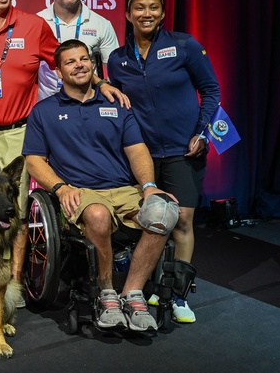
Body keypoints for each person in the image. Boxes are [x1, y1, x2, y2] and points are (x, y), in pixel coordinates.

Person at [0, 0, 126, 307]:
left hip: (19, 131)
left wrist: (101, 83)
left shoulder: (33, 26)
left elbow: (68, 62)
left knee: (14, 211)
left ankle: (12, 284)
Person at [23, 40, 179, 333]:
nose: (79, 65)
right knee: (97, 215)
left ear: (93, 65)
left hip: (123, 189)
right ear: (58, 72)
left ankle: (132, 294)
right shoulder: (44, 111)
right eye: (70, 62)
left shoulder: (117, 103)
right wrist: (60, 188)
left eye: (84, 59)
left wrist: (148, 186)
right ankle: (107, 292)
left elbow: (136, 150)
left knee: (164, 211)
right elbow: (34, 161)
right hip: (81, 192)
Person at [106, 0, 221, 323]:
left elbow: (211, 89)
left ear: (162, 13)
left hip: (183, 151)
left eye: (153, 8)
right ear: (128, 15)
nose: (146, 13)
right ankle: (149, 288)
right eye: (139, 8)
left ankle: (179, 294)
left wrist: (201, 132)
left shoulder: (185, 45)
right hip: (142, 154)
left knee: (182, 220)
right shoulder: (118, 59)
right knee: (152, 220)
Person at [37, 0, 120, 99]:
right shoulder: (37, 22)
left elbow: (115, 70)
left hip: (87, 103)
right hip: (47, 103)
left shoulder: (101, 24)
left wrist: (104, 86)